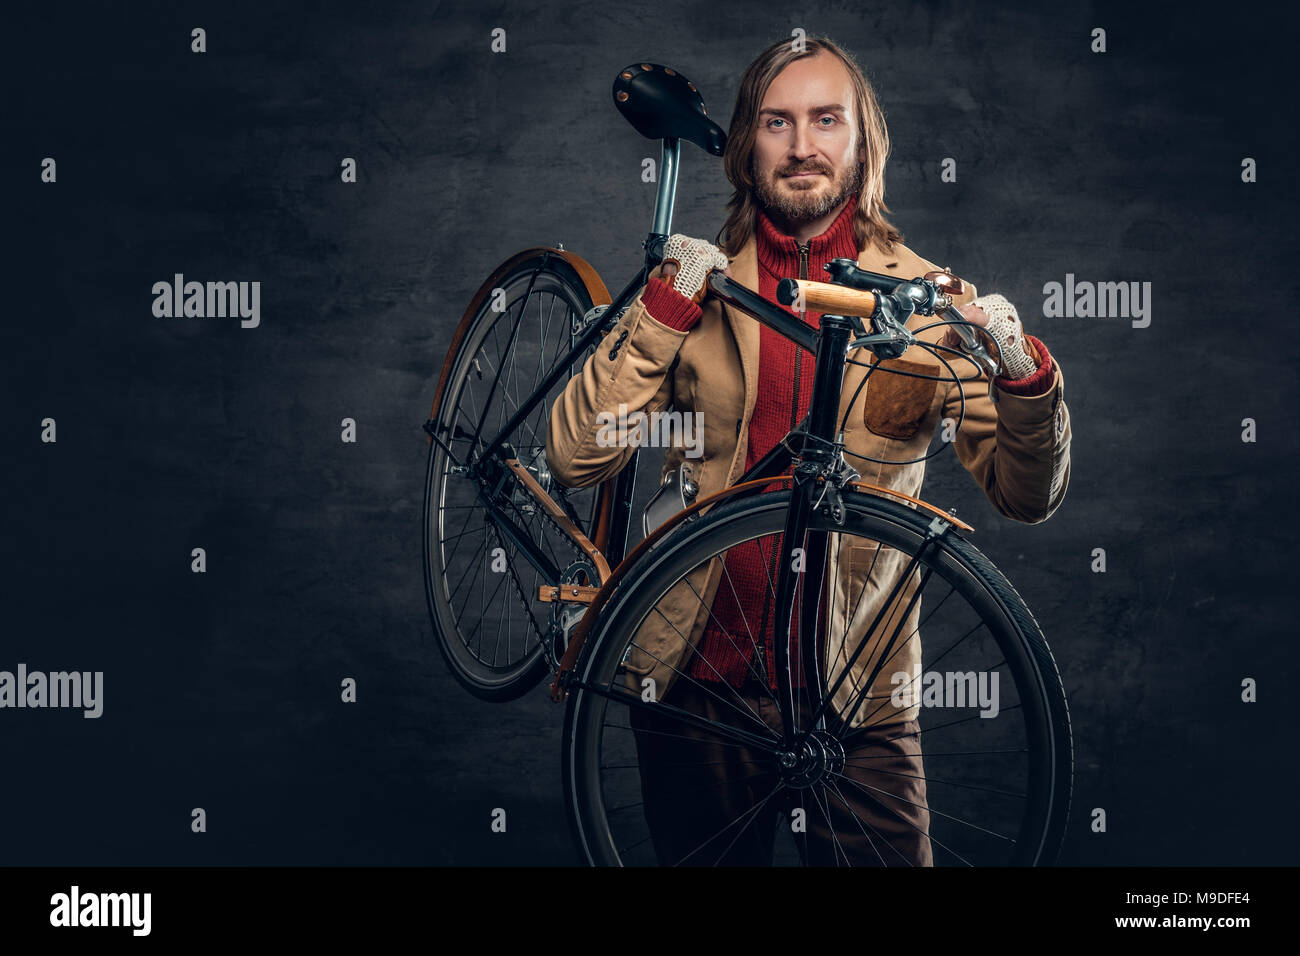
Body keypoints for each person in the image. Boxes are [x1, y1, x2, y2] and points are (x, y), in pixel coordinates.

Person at [545, 35, 1071, 865]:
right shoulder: (700, 288)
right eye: (776, 122)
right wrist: (660, 312)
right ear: (746, 147)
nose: (801, 147)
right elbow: (575, 456)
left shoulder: (930, 308)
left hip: (859, 694)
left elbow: (1025, 494)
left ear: (864, 143)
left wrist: (1023, 374)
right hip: (697, 684)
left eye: (826, 120)